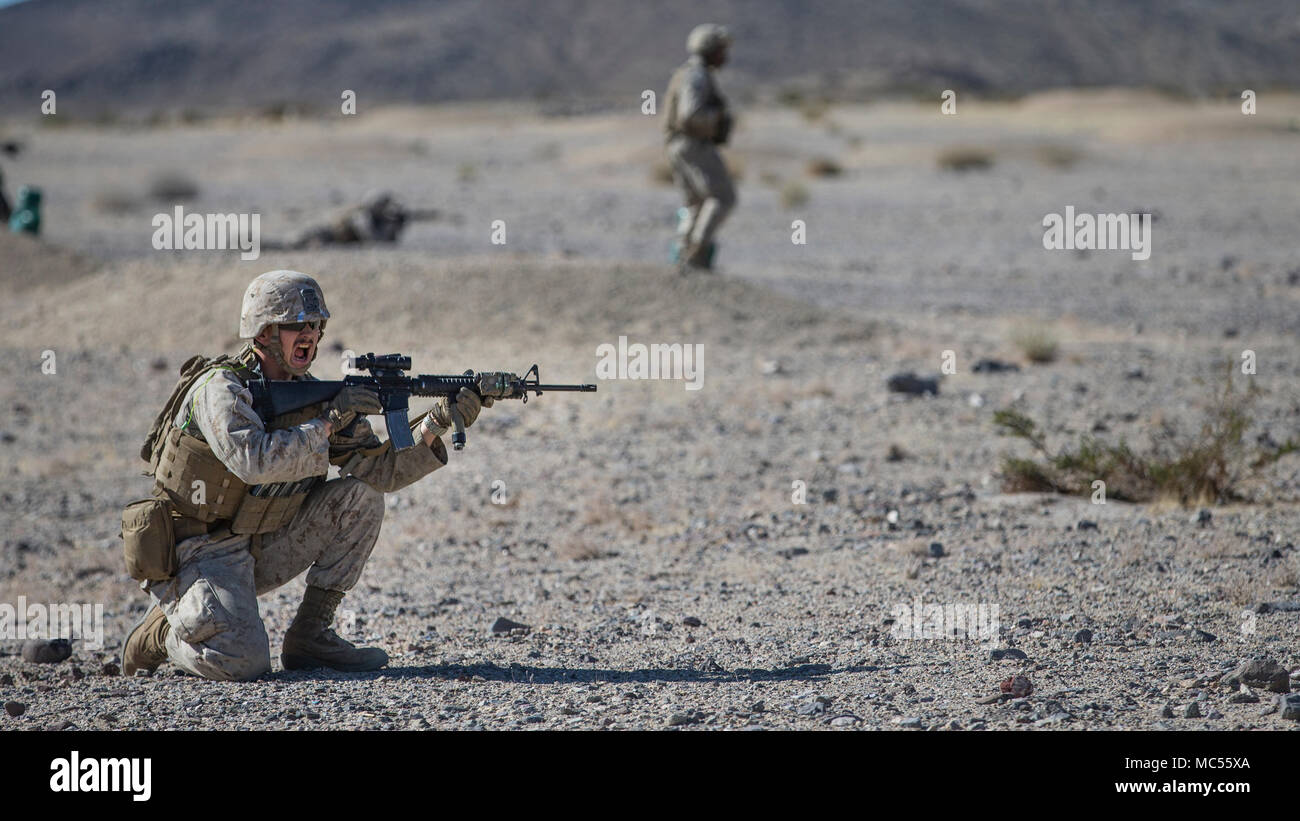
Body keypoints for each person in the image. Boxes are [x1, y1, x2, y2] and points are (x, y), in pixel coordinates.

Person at [120, 270, 490, 680]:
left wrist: (438, 421)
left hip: (261, 538)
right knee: (245, 662)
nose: (310, 335)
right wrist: (328, 424)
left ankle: (312, 635)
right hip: (198, 550)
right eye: (296, 325)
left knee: (361, 496)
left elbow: (381, 470)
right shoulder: (221, 389)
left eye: (316, 325)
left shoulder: (315, 393)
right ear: (262, 333)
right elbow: (253, 461)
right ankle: (162, 634)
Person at [664, 23, 737, 272]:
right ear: (711, 50)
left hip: (678, 144)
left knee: (695, 202)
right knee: (722, 197)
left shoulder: (690, 73)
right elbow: (690, 114)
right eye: (721, 50)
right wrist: (716, 118)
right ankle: (698, 251)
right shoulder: (697, 75)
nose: (724, 56)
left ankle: (683, 254)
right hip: (692, 144)